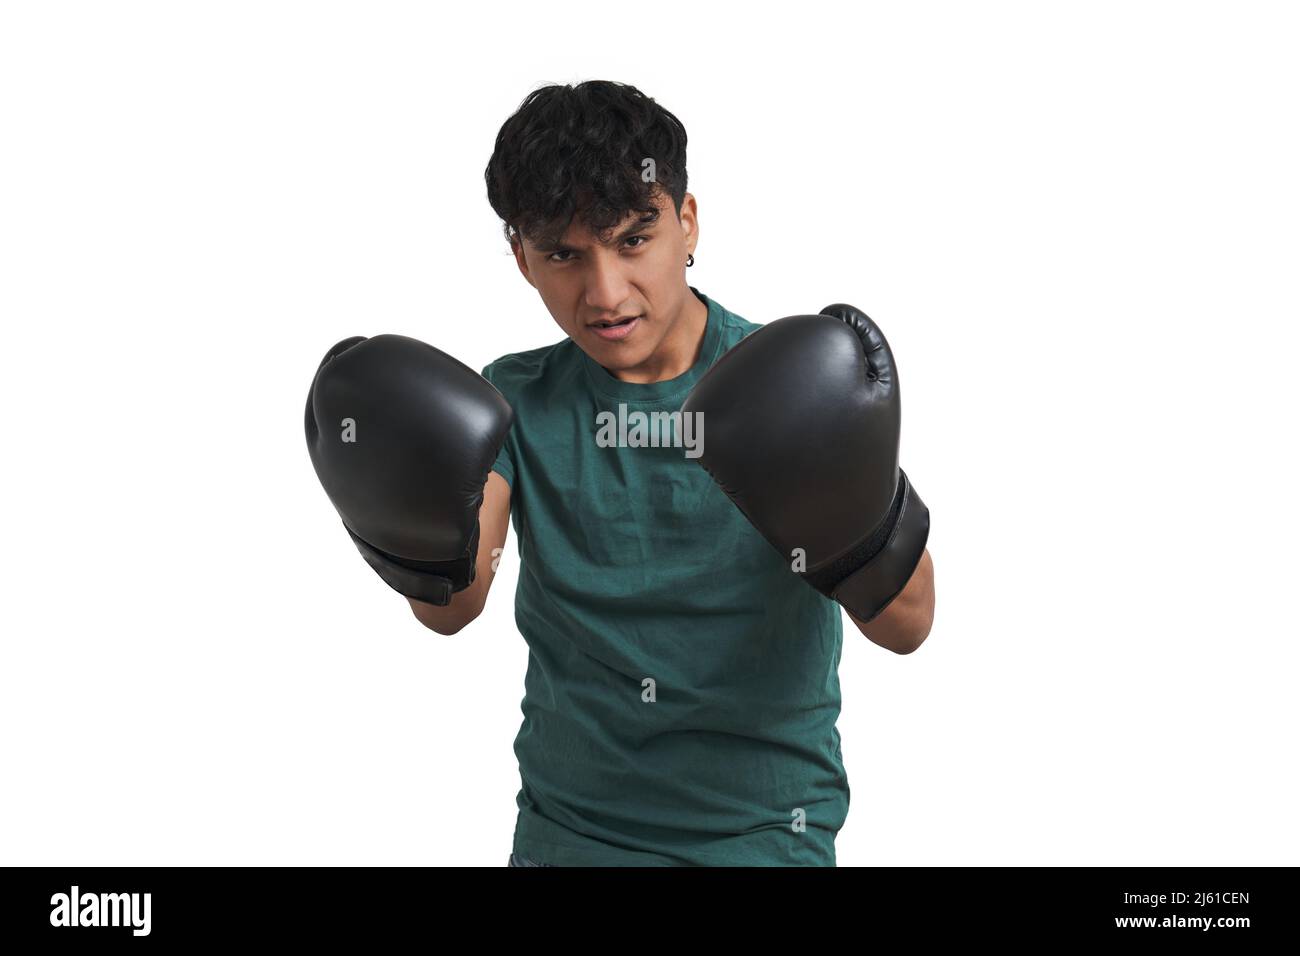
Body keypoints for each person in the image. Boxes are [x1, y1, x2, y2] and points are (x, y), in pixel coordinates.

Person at [307, 80, 935, 867]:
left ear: (687, 222)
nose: (604, 294)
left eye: (633, 240)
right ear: (521, 258)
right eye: (564, 254)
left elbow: (907, 624)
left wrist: (849, 521)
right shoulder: (510, 400)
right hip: (568, 835)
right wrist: (397, 510)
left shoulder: (791, 383)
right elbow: (453, 609)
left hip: (765, 835)